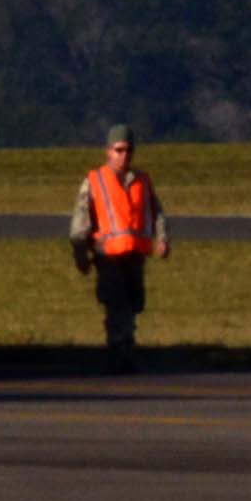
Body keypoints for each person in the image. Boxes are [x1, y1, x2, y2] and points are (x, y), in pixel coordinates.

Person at [69, 129, 167, 369]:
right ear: (108, 151)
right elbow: (81, 221)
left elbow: (155, 211)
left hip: (135, 253)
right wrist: (81, 254)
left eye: (128, 150)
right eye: (118, 150)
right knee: (116, 303)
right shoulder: (95, 180)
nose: (124, 156)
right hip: (108, 255)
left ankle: (127, 346)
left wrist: (162, 238)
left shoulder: (142, 181)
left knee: (133, 303)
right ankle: (118, 350)